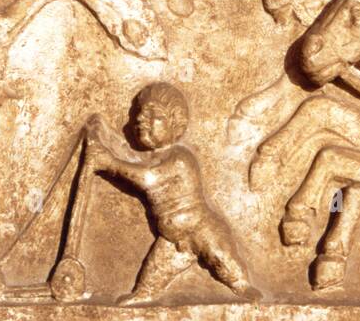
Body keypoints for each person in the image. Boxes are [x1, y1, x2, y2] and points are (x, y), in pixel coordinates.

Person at [84, 83, 261, 303]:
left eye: (153, 115)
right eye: (139, 115)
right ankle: (144, 295)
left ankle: (243, 287)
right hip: (171, 237)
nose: (140, 120)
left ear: (175, 123)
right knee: (154, 270)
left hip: (201, 229)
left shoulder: (179, 158)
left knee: (222, 258)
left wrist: (108, 163)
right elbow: (127, 155)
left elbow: (147, 179)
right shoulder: (152, 157)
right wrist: (103, 133)